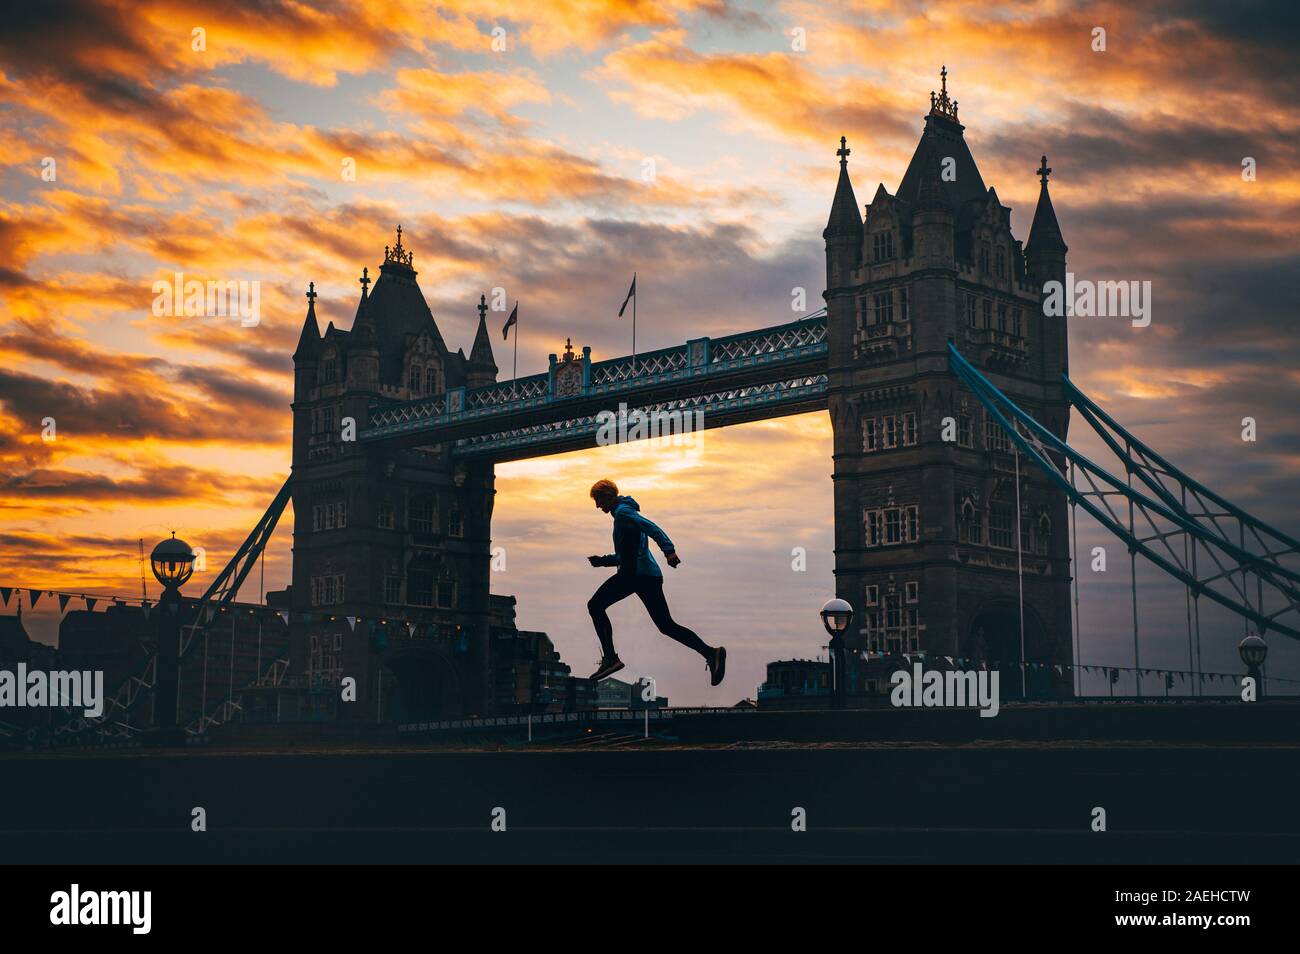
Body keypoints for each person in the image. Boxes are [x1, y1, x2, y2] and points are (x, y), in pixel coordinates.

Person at [585, 478, 725, 686]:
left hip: (635, 576)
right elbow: (627, 555)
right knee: (666, 625)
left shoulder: (623, 514)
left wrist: (669, 551)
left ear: (607, 496)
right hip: (647, 576)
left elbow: (653, 528)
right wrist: (603, 561)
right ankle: (711, 653)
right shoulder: (625, 514)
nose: (597, 506)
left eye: (598, 500)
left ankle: (610, 659)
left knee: (595, 605)